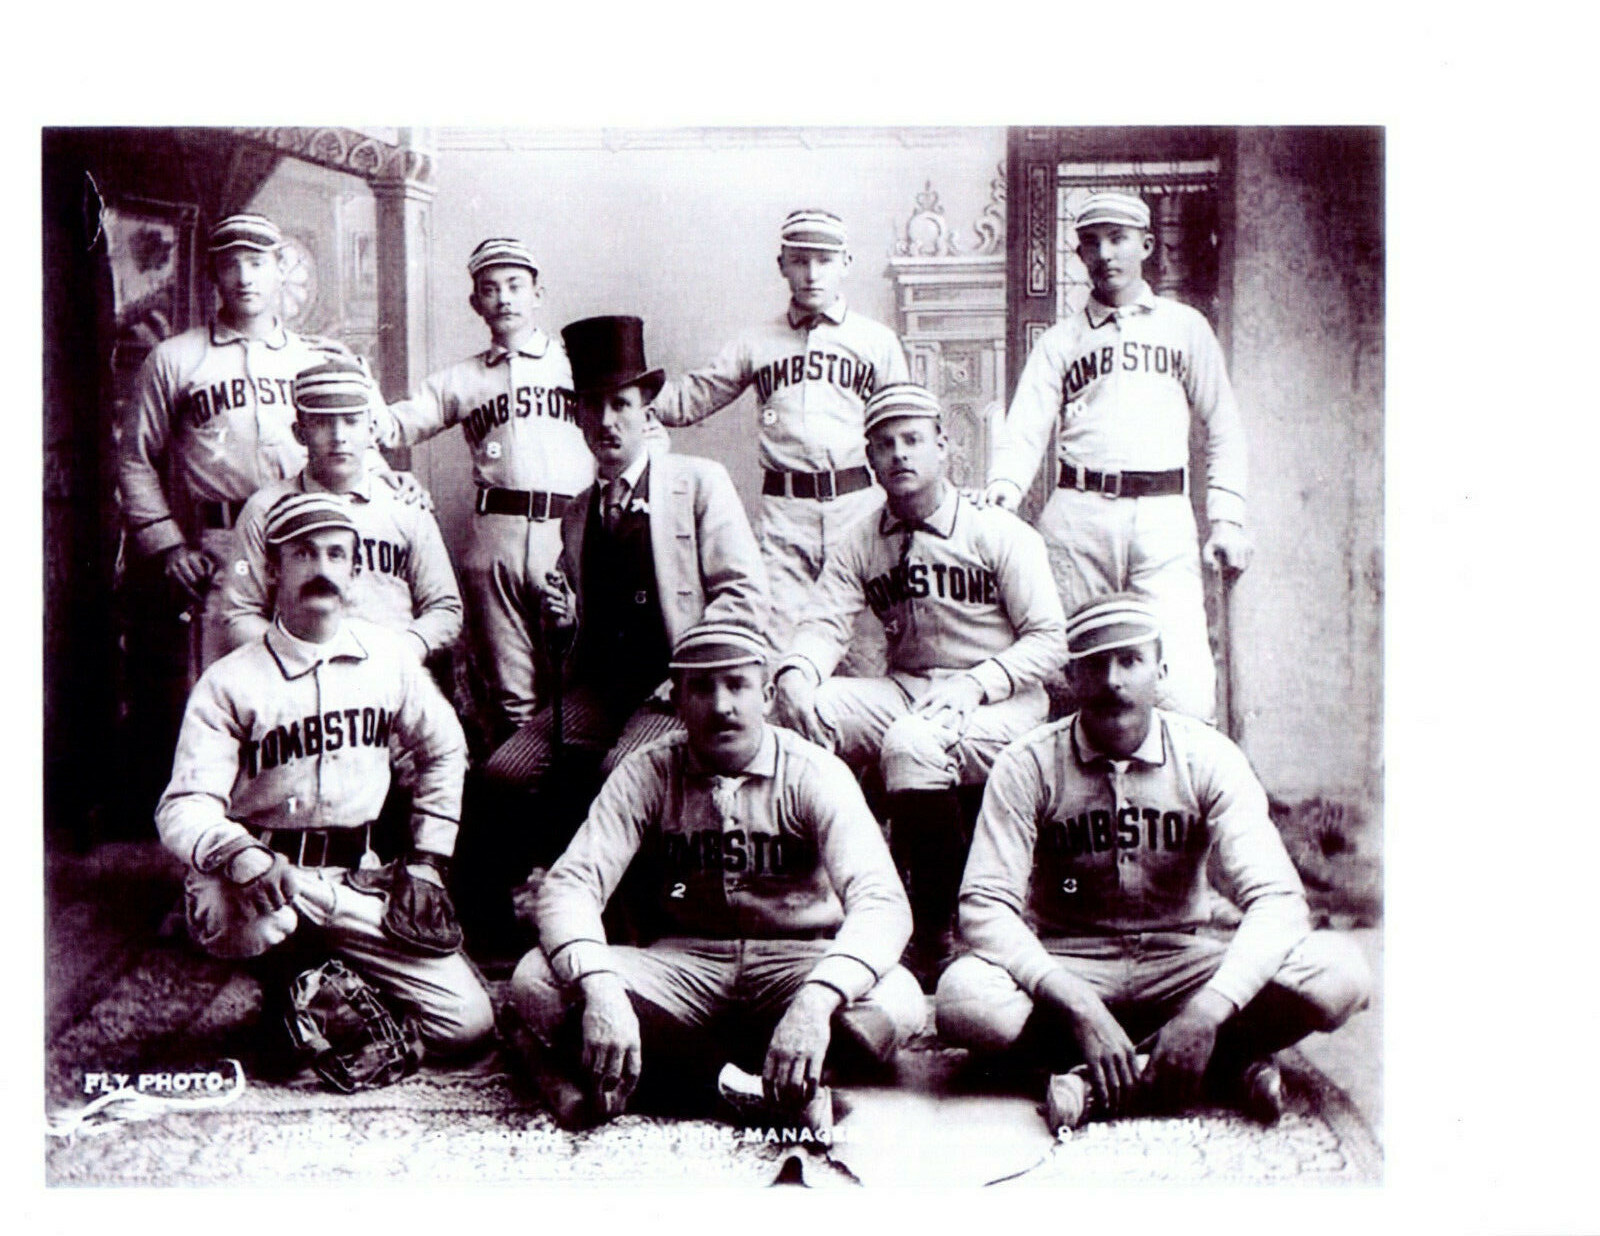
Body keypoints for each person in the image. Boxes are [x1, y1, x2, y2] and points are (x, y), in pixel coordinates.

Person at [935, 595, 1370, 1129]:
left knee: (1341, 972)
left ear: (1159, 671)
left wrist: (1211, 1008)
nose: (1113, 680)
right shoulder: (1027, 763)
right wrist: (1073, 1000)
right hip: (1073, 962)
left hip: (1179, 962)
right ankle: (1225, 1065)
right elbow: (983, 907)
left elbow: (1277, 900)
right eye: (1094, 664)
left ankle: (1099, 1076)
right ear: (1071, 677)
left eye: (1129, 661)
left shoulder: (1208, 756)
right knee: (962, 998)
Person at [504, 620, 922, 1133]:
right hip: (684, 962)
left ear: (766, 696)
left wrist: (818, 998)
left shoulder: (813, 771)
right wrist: (604, 988)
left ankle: (676, 1069)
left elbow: (881, 902)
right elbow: (572, 885)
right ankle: (743, 1085)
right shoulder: (648, 770)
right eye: (701, 688)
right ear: (677, 701)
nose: (722, 705)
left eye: (737, 685)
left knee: (900, 1000)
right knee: (536, 978)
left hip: (792, 961)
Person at [459, 316, 768, 945]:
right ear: (576, 417)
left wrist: (684, 679)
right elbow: (582, 638)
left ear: (646, 406)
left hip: (677, 694)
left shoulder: (698, 484)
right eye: (592, 407)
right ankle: (500, 932)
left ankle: (627, 932)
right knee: (502, 773)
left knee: (620, 773)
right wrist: (565, 621)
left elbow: (743, 596)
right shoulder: (578, 512)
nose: (607, 421)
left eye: (621, 404)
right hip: (601, 694)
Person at [154, 492, 493, 1065]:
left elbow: (445, 749)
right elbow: (183, 806)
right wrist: (241, 856)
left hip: (355, 877)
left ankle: (333, 1001)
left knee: (469, 1024)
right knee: (255, 924)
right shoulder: (230, 680)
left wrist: (427, 861)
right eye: (304, 554)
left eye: (337, 555)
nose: (321, 569)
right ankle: (286, 984)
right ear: (271, 569)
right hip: (262, 880)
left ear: (355, 572)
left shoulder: (388, 661)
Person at [771, 381, 1067, 983]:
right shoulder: (863, 537)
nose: (900, 454)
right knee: (808, 713)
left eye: (913, 440)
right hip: (910, 689)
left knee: (911, 744)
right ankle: (802, 906)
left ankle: (936, 930)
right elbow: (824, 623)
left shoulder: (997, 532)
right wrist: (796, 675)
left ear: (944, 447)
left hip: (1001, 700)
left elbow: (1049, 640)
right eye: (885, 444)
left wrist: (981, 681)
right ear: (870, 459)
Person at [983, 191, 1253, 723]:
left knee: (1182, 675)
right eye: (1092, 242)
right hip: (1078, 511)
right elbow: (1026, 427)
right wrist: (1004, 490)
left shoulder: (1184, 326)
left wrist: (1227, 517)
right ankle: (1070, 799)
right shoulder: (1062, 340)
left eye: (1118, 239)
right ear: (1079, 254)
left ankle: (1180, 797)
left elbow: (1223, 424)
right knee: (1066, 661)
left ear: (1147, 245)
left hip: (1162, 512)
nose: (1105, 253)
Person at [649, 209, 910, 655]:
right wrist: (615, 387)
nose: (811, 274)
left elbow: (905, 429)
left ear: (846, 262)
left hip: (859, 509)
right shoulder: (757, 342)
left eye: (824, 261)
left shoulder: (876, 341)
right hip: (785, 515)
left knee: (865, 650)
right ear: (782, 265)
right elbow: (685, 402)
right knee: (780, 647)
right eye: (800, 260)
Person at [118, 213, 362, 673]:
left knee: (314, 681)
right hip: (224, 541)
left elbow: (356, 444)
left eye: (256, 262)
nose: (244, 277)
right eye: (230, 264)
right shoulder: (176, 357)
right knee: (226, 678)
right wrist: (169, 545)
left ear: (278, 268)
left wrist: (398, 487)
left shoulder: (315, 359)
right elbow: (135, 459)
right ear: (214, 273)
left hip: (309, 536)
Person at [375, 237, 590, 740]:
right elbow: (391, 427)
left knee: (578, 674)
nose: (505, 299)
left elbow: (639, 432)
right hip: (495, 535)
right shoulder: (461, 379)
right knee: (512, 690)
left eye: (516, 286)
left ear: (539, 293)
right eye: (490, 289)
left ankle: (580, 804)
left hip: (572, 529)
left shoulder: (574, 364)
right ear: (476, 303)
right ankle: (529, 800)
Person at [220, 358, 463, 661]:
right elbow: (238, 612)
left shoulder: (405, 504)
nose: (338, 436)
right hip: (300, 677)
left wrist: (401, 653)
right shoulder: (264, 508)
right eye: (322, 422)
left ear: (371, 429)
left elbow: (445, 607)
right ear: (300, 432)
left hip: (391, 670)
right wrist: (300, 657)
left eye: (350, 421)